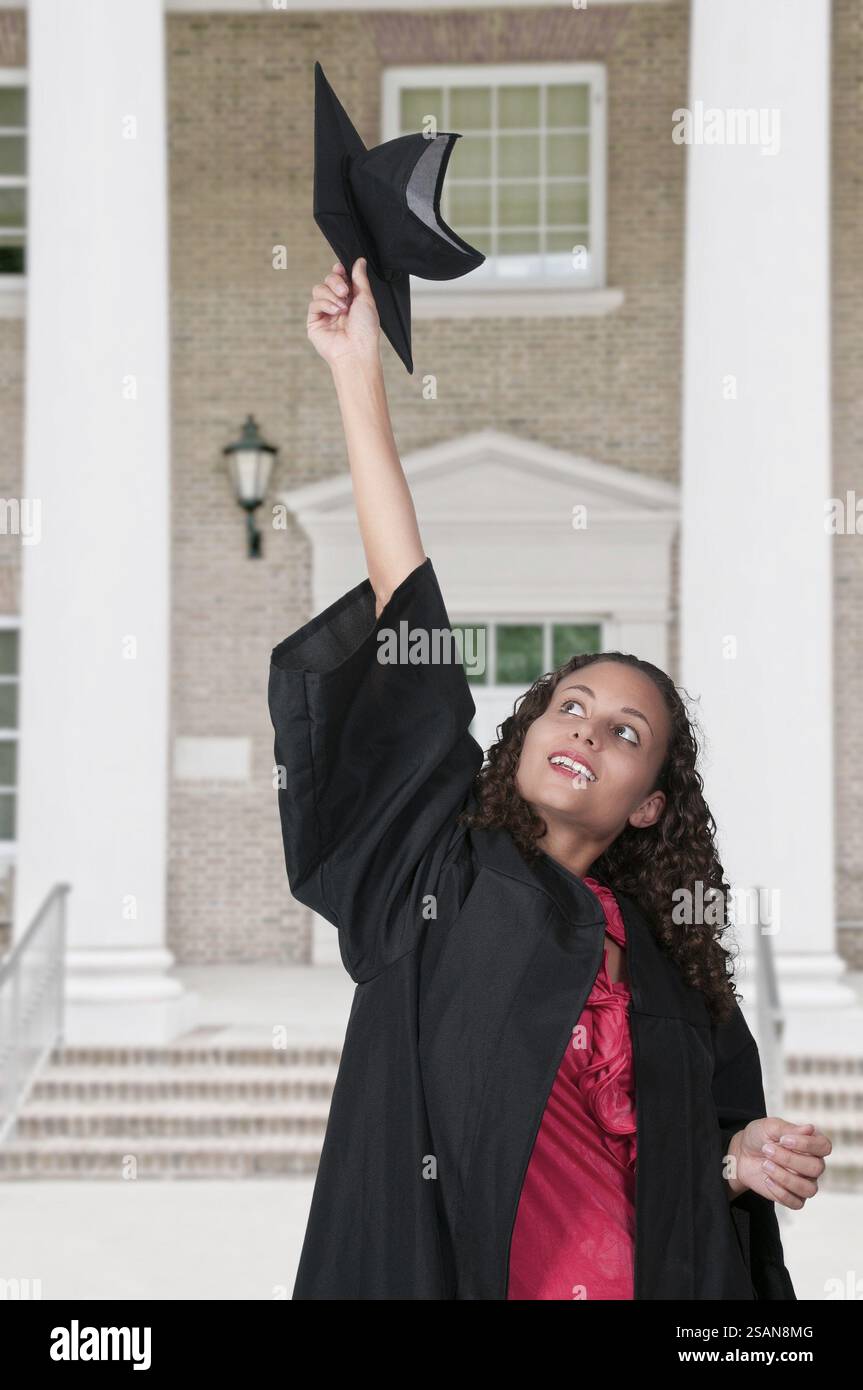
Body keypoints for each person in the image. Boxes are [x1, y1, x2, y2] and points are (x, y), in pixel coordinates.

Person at [265, 257, 831, 1301]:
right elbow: (409, 609)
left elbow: (679, 1159)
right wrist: (354, 376)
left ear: (650, 800)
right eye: (568, 706)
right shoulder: (432, 874)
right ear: (522, 734)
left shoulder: (671, 966)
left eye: (625, 731)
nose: (587, 729)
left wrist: (738, 1155)